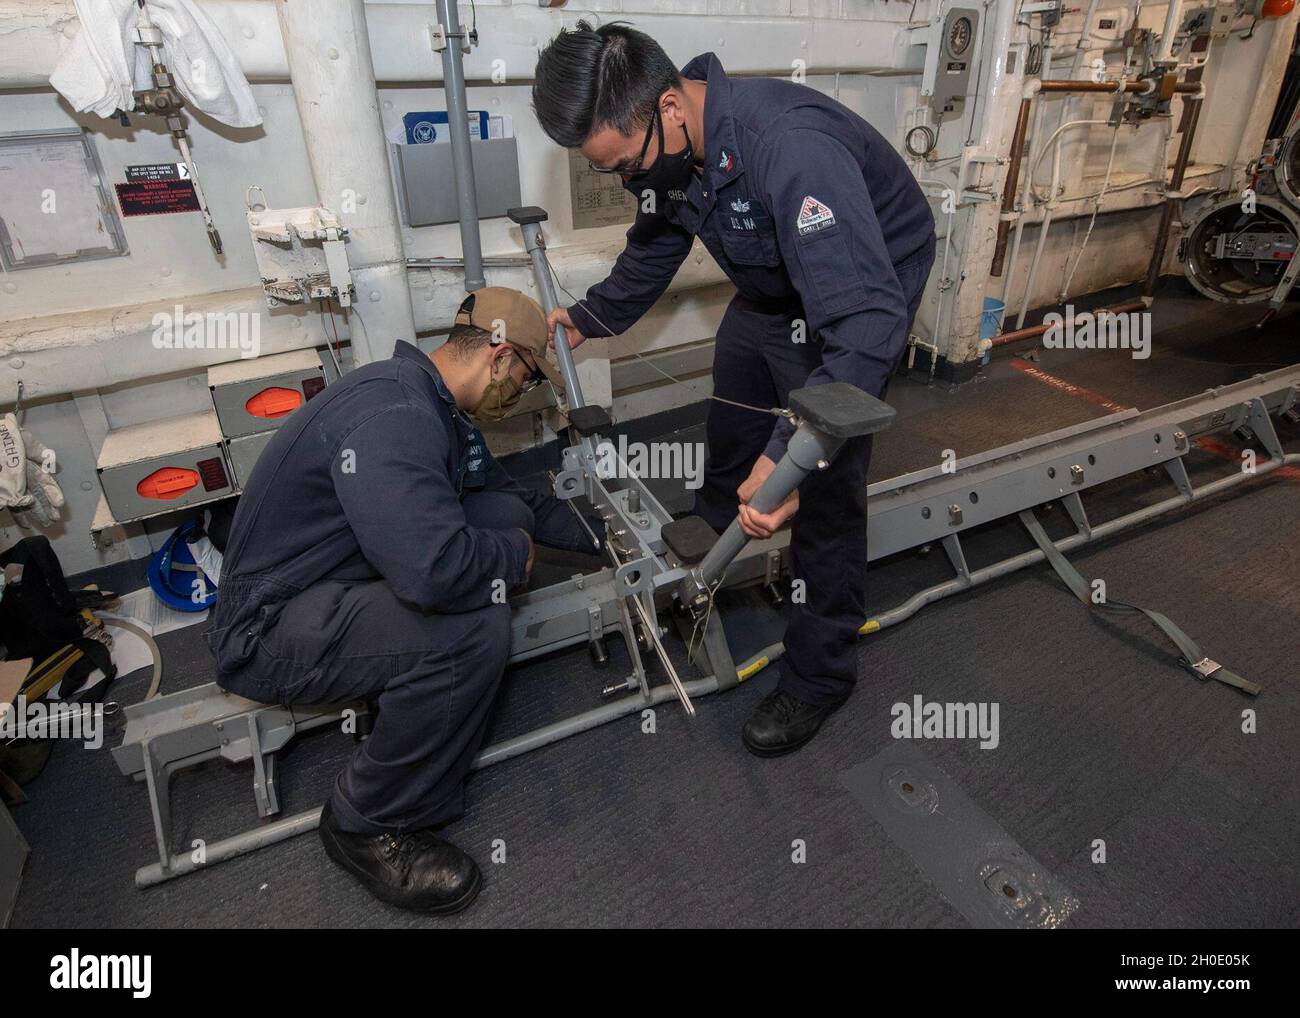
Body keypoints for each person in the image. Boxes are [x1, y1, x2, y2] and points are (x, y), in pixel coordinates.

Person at [532, 22, 937, 757]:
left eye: (625, 166)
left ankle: (821, 674)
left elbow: (861, 320)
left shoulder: (788, 147)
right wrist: (593, 316)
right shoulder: (673, 147)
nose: (627, 183)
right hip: (773, 288)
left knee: (821, 480)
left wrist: (792, 454)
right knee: (736, 392)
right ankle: (715, 532)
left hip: (859, 288)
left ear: (670, 109)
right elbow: (657, 236)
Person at [205, 288, 599, 914]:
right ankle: (366, 821)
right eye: (524, 380)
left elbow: (511, 499)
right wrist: (512, 557)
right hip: (267, 628)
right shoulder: (398, 419)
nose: (521, 396)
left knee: (497, 509)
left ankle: (393, 695)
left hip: (328, 580)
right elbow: (434, 572)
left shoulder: (430, 402)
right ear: (498, 358)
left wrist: (609, 532)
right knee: (473, 631)